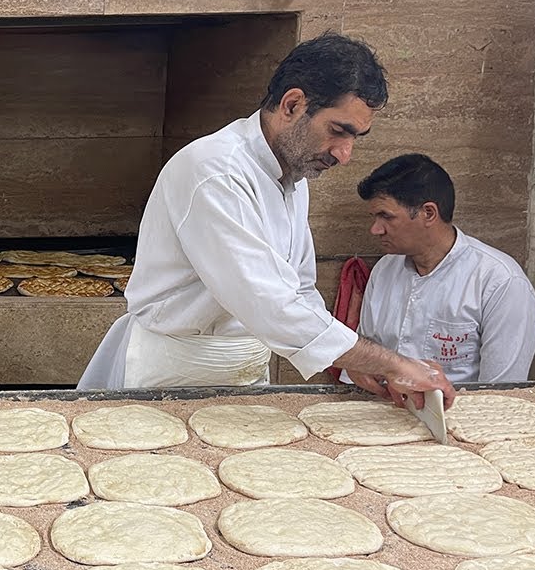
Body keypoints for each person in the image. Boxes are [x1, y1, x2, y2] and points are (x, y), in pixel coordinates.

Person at [78, 32, 455, 409]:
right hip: (172, 373)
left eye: (357, 138)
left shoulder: (293, 176)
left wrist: (345, 358)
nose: (344, 155)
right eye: (338, 131)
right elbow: (269, 304)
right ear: (292, 104)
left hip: (245, 371)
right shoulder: (215, 171)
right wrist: (390, 364)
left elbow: (299, 290)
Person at [347, 153, 535, 388]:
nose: (375, 229)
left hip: (464, 410)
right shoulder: (385, 269)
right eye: (374, 217)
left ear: (428, 213)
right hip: (383, 406)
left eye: (386, 216)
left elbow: (502, 391)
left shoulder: (500, 282)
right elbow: (366, 360)